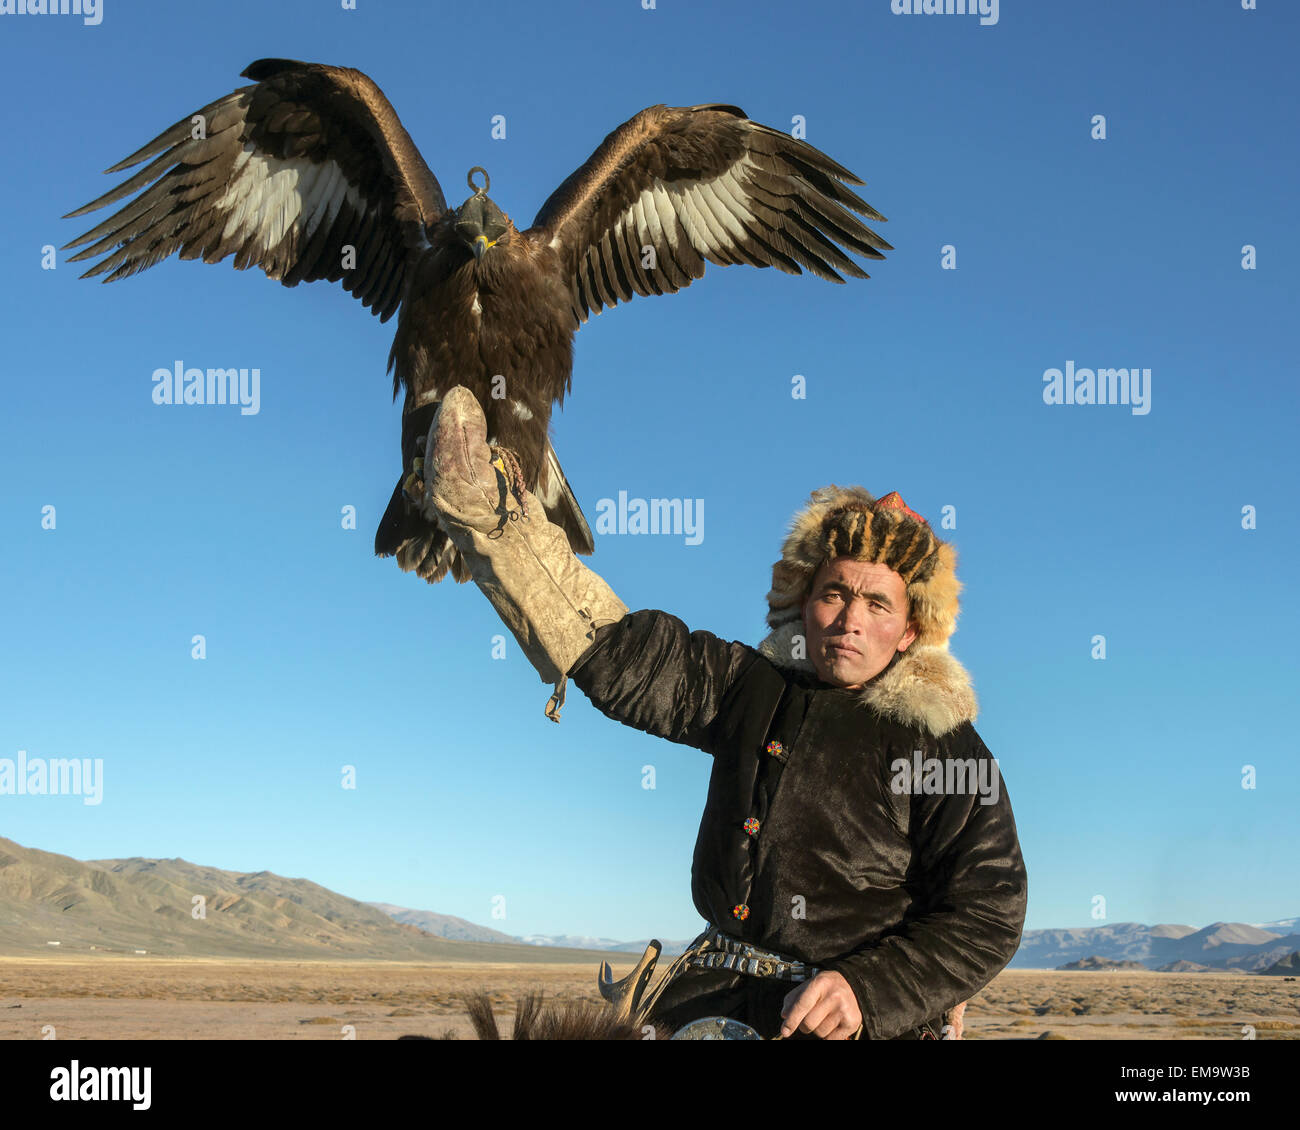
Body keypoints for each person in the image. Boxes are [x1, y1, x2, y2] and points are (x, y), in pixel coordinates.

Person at [418, 386, 1028, 1041]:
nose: (850, 619)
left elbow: (989, 907)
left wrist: (868, 990)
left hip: (853, 1017)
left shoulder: (947, 748)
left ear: (910, 630)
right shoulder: (750, 686)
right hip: (708, 993)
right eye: (834, 593)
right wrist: (503, 529)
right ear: (806, 602)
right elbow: (633, 659)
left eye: (878, 604)